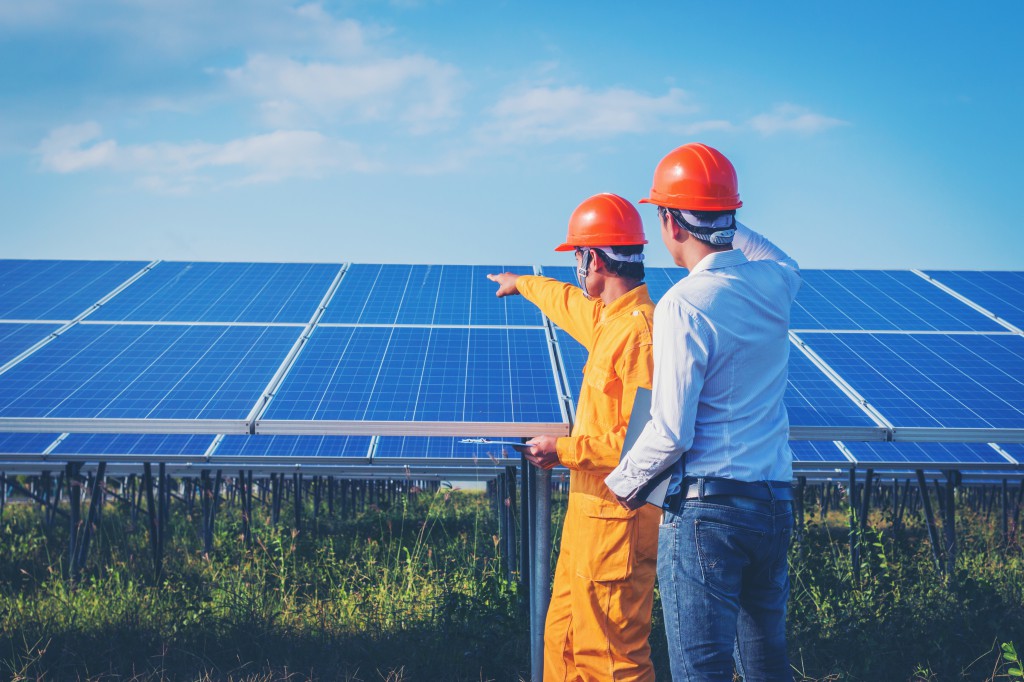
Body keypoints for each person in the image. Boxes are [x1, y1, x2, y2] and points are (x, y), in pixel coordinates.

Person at [605, 143, 802, 681]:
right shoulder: (775, 285)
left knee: (703, 669)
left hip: (708, 513)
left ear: (670, 223)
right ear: (729, 217)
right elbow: (782, 259)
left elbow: (671, 431)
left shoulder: (684, 303)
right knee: (766, 666)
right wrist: (721, 213)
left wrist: (622, 484)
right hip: (773, 503)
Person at [488, 193, 660, 682]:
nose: (577, 268)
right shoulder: (609, 320)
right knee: (562, 643)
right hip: (588, 524)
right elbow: (565, 302)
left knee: (611, 658)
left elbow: (643, 443)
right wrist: (522, 283)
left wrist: (561, 449)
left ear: (596, 260)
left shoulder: (642, 335)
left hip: (618, 529)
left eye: (579, 256)